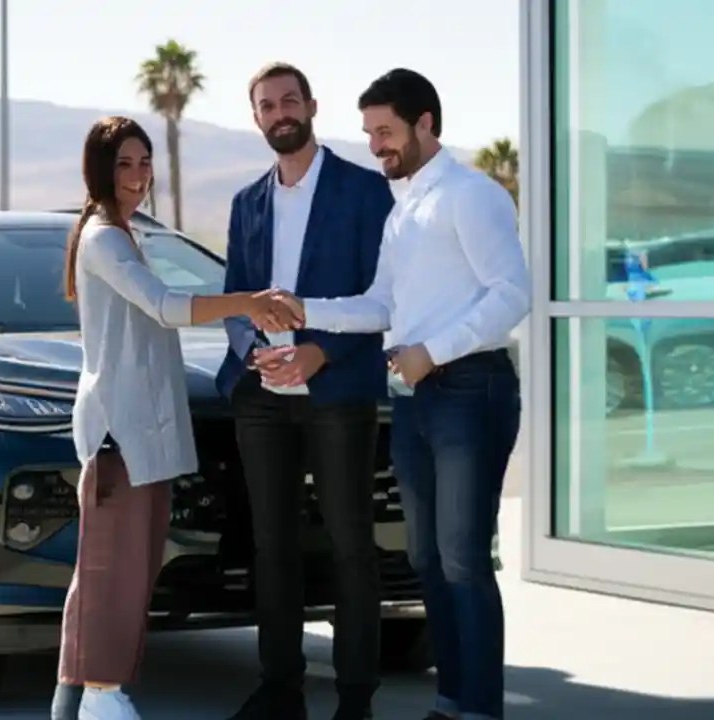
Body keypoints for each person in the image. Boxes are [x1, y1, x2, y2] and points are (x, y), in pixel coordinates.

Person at [264, 68, 531, 720]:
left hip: (472, 390)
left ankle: (480, 710)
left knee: (464, 558)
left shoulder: (471, 195)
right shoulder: (404, 208)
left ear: (425, 124)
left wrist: (430, 352)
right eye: (368, 133)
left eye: (385, 131)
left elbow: (513, 294)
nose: (375, 144)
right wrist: (304, 308)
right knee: (426, 558)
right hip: (415, 399)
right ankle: (449, 702)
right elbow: (381, 302)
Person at [53, 115, 301, 720]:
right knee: (107, 582)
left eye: (144, 163)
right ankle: (101, 701)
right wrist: (246, 301)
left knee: (121, 580)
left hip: (141, 440)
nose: (139, 176)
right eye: (124, 165)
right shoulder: (103, 238)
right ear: (100, 172)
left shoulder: (125, 233)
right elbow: (165, 307)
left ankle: (86, 703)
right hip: (119, 438)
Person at [216, 62, 396, 720]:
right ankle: (280, 688)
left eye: (290, 100)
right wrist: (254, 353)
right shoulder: (246, 204)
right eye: (267, 104)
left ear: (312, 106)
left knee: (351, 542)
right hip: (263, 398)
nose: (280, 112)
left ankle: (355, 698)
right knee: (273, 545)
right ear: (257, 117)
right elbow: (237, 300)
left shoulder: (365, 192)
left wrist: (320, 352)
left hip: (339, 388)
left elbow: (383, 297)